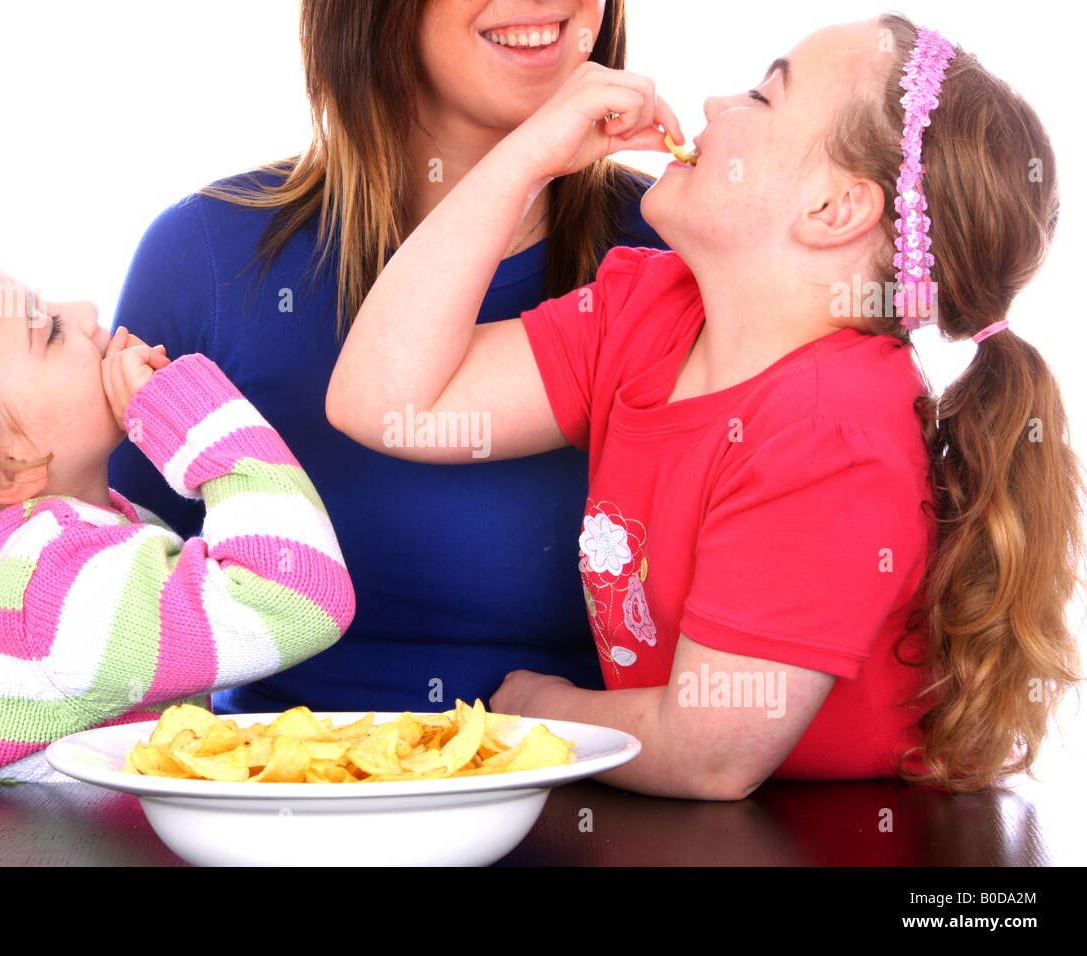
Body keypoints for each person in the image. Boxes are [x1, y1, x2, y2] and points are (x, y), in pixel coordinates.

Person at [326, 13, 1084, 797]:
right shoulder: (648, 311)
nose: (718, 103)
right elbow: (385, 401)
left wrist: (531, 708)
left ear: (833, 209)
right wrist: (526, 158)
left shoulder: (834, 432)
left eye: (761, 96)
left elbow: (709, 753)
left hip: (839, 833)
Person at [109, 0, 671, 714]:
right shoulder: (207, 257)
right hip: (284, 801)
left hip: (606, 803)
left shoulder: (679, 252)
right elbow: (114, 614)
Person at [0, 258, 354, 784]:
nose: (87, 311)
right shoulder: (56, 593)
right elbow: (297, 596)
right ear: (3, 467)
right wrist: (189, 410)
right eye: (51, 329)